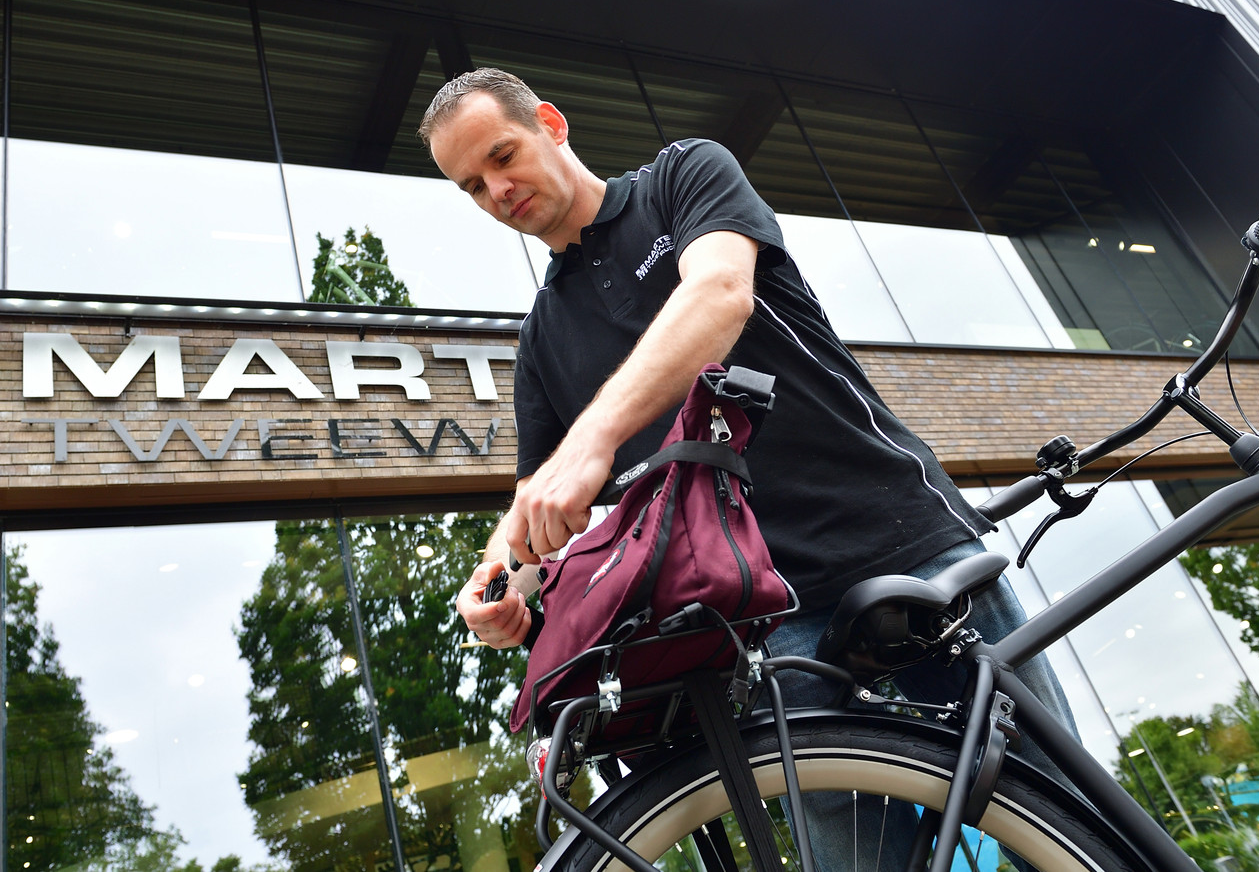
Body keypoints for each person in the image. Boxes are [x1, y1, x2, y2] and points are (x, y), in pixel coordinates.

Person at [422, 67, 1075, 868]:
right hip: (758, 621)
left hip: (897, 537)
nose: (495, 190)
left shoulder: (681, 176)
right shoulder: (543, 335)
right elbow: (541, 498)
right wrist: (500, 581)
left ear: (551, 124)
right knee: (854, 862)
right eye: (470, 185)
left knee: (1059, 811)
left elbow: (721, 292)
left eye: (501, 155)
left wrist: (595, 437)